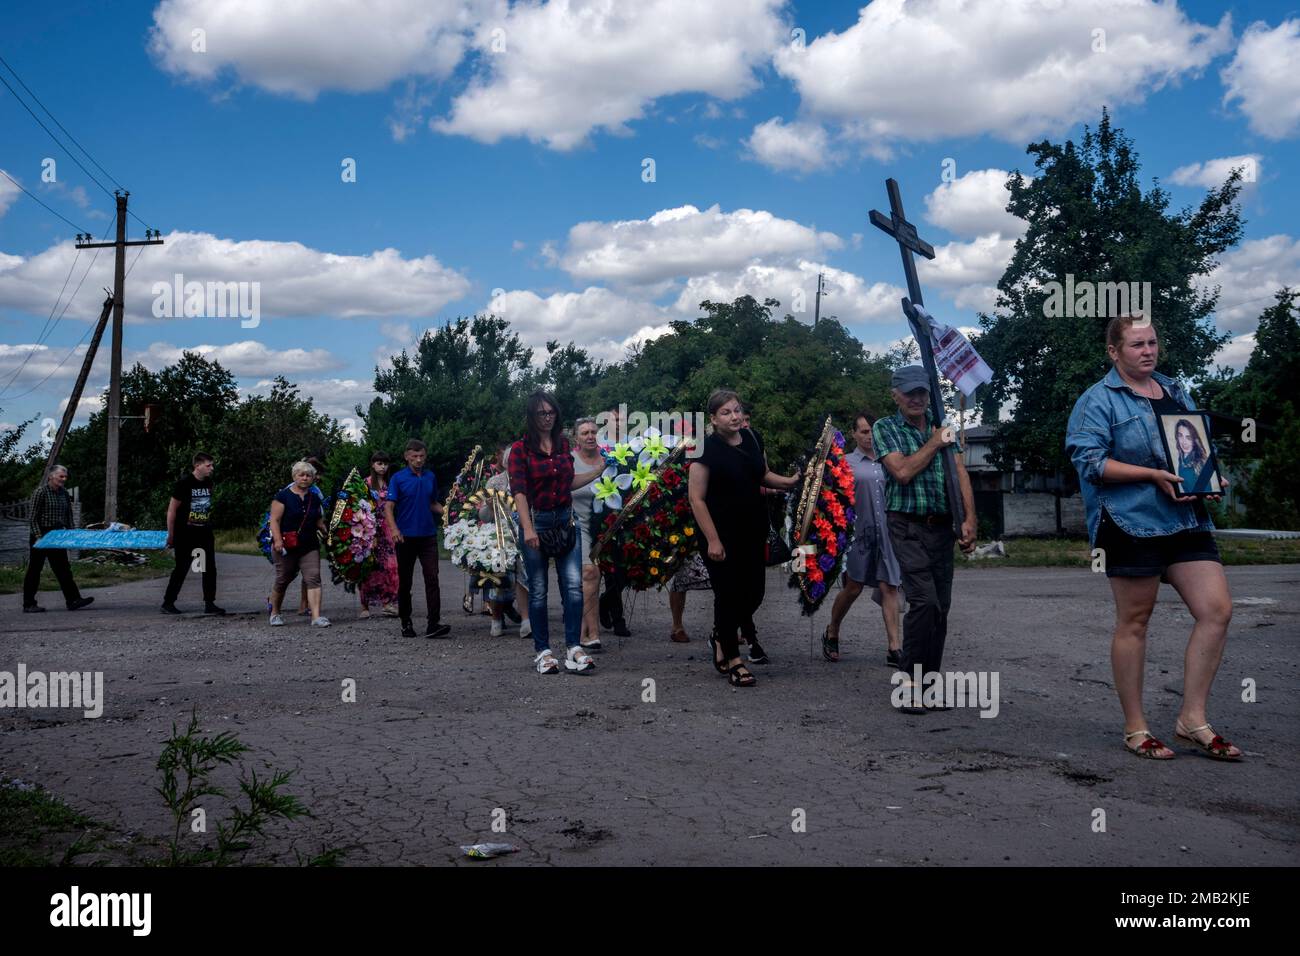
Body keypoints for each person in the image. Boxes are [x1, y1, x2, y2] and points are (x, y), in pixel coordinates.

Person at [1066, 315, 1241, 761]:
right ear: (1114, 351)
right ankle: (1136, 728)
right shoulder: (1098, 401)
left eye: (1152, 342)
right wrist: (1150, 474)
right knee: (1135, 622)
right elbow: (1090, 463)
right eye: (1137, 344)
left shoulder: (1177, 391)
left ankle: (1192, 719)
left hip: (1186, 519)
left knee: (1216, 610)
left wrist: (1208, 476)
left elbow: (1198, 450)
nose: (1148, 350)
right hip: (1128, 521)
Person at [873, 366, 976, 713]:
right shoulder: (886, 428)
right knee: (924, 602)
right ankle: (908, 685)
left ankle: (928, 687)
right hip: (906, 525)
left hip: (940, 526)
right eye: (910, 392)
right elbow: (901, 472)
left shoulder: (943, 425)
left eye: (922, 392)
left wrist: (969, 519)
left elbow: (960, 472)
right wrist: (934, 442)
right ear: (895, 395)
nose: (917, 398)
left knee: (941, 608)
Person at [688, 389, 798, 687]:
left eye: (737, 410)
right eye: (726, 412)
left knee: (754, 593)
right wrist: (712, 540)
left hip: (752, 529)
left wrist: (789, 482)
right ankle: (734, 660)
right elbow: (696, 499)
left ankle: (720, 635)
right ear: (713, 418)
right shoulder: (702, 449)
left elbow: (761, 474)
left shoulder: (751, 438)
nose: (734, 416)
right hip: (720, 533)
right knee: (728, 594)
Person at [510, 390, 603, 675]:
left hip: (566, 521)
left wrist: (598, 470)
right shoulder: (520, 450)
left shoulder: (563, 445)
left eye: (551, 412)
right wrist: (527, 528)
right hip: (536, 521)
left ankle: (574, 648)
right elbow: (520, 492)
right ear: (532, 416)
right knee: (538, 590)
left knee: (573, 588)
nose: (547, 417)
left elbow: (567, 483)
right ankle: (543, 651)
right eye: (541, 413)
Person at [824, 412, 903, 664]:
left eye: (872, 431)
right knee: (853, 587)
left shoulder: (890, 459)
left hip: (889, 533)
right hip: (858, 535)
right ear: (854, 434)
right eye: (863, 431)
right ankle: (833, 629)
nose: (869, 436)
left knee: (889, 586)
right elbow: (832, 500)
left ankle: (894, 647)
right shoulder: (844, 463)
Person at [384, 439, 449, 639]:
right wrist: (394, 528)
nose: (418, 460)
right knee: (406, 581)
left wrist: (449, 514)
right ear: (407, 456)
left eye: (422, 456)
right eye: (414, 456)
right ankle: (406, 621)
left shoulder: (430, 476)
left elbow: (432, 503)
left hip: (428, 535)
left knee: (432, 578)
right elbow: (388, 506)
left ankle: (433, 623)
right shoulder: (398, 478)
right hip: (405, 537)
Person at [22, 465, 93, 613]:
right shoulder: (40, 492)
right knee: (35, 569)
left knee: (63, 569)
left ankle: (73, 600)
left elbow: (68, 516)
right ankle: (28, 604)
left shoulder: (64, 494)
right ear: (51, 476)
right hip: (41, 534)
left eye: (65, 477)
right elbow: (33, 517)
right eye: (61, 476)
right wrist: (39, 537)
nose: (64, 479)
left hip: (57, 535)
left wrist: (71, 533)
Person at [267, 461, 330, 627]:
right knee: (283, 579)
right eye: (301, 475)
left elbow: (317, 519)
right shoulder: (283, 496)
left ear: (312, 478)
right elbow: (274, 520)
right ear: (294, 476)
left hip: (309, 545)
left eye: (308, 475)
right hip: (286, 545)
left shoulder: (315, 498)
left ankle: (316, 617)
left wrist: (325, 530)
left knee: (313, 578)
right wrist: (278, 540)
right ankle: (275, 613)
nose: (305, 478)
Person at [162, 451, 224, 615]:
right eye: (208, 465)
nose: (211, 468)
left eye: (212, 465)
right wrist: (171, 534)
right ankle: (168, 602)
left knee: (208, 567)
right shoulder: (184, 483)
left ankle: (209, 602)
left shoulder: (209, 483)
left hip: (203, 531)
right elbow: (172, 510)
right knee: (182, 567)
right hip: (185, 533)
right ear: (197, 466)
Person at [479, 441, 524, 637]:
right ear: (505, 463)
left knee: (525, 579)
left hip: (525, 533)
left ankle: (527, 619)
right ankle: (496, 618)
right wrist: (489, 506)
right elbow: (484, 517)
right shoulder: (494, 483)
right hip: (501, 536)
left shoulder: (529, 481)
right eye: (511, 461)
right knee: (499, 579)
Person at [596, 406, 632, 638]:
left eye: (622, 419)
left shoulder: (634, 443)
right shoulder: (597, 445)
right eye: (614, 419)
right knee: (611, 566)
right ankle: (618, 618)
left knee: (628, 565)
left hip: (629, 509)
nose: (618, 423)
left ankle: (605, 600)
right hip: (603, 509)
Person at [571, 417, 606, 652]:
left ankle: (587, 630)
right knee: (589, 573)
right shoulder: (570, 461)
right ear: (576, 438)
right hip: (577, 524)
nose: (590, 436)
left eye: (594, 432)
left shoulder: (611, 458)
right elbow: (566, 484)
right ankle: (587, 631)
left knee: (595, 578)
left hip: (603, 527)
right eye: (585, 433)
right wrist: (597, 473)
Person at [359, 451, 399, 618]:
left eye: (385, 463)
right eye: (379, 463)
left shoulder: (392, 483)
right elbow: (360, 509)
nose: (383, 467)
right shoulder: (366, 484)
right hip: (370, 528)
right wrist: (368, 532)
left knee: (392, 566)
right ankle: (364, 606)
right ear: (373, 464)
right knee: (369, 567)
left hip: (388, 527)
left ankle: (388, 603)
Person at [1174, 419, 1213, 494]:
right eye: (1180, 436)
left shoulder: (1200, 463)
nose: (1184, 442)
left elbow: (1207, 492)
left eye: (1189, 437)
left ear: (1194, 440)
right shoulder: (1181, 458)